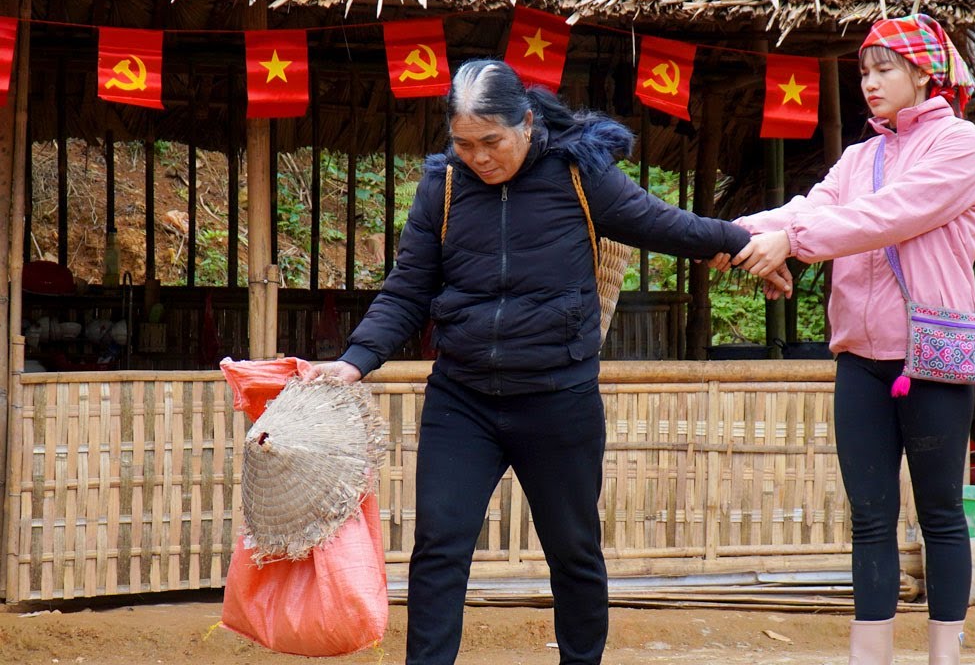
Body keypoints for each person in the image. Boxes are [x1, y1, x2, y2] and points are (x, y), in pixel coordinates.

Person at [306, 58, 789, 665]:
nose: (479, 158)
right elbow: (407, 290)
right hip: (463, 399)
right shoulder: (443, 188)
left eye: (492, 141)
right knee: (439, 548)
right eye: (464, 144)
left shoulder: (579, 176)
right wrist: (354, 361)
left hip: (559, 399)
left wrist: (745, 245)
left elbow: (661, 224)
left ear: (527, 123)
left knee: (573, 550)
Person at [721, 14, 975, 665]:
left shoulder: (959, 143)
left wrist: (792, 243)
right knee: (869, 518)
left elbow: (884, 216)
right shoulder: (859, 157)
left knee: (940, 514)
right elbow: (809, 209)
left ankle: (944, 658)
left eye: (885, 69)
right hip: (860, 361)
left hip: (929, 355)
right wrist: (730, 236)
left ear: (924, 73)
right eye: (865, 71)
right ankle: (869, 658)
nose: (870, 82)